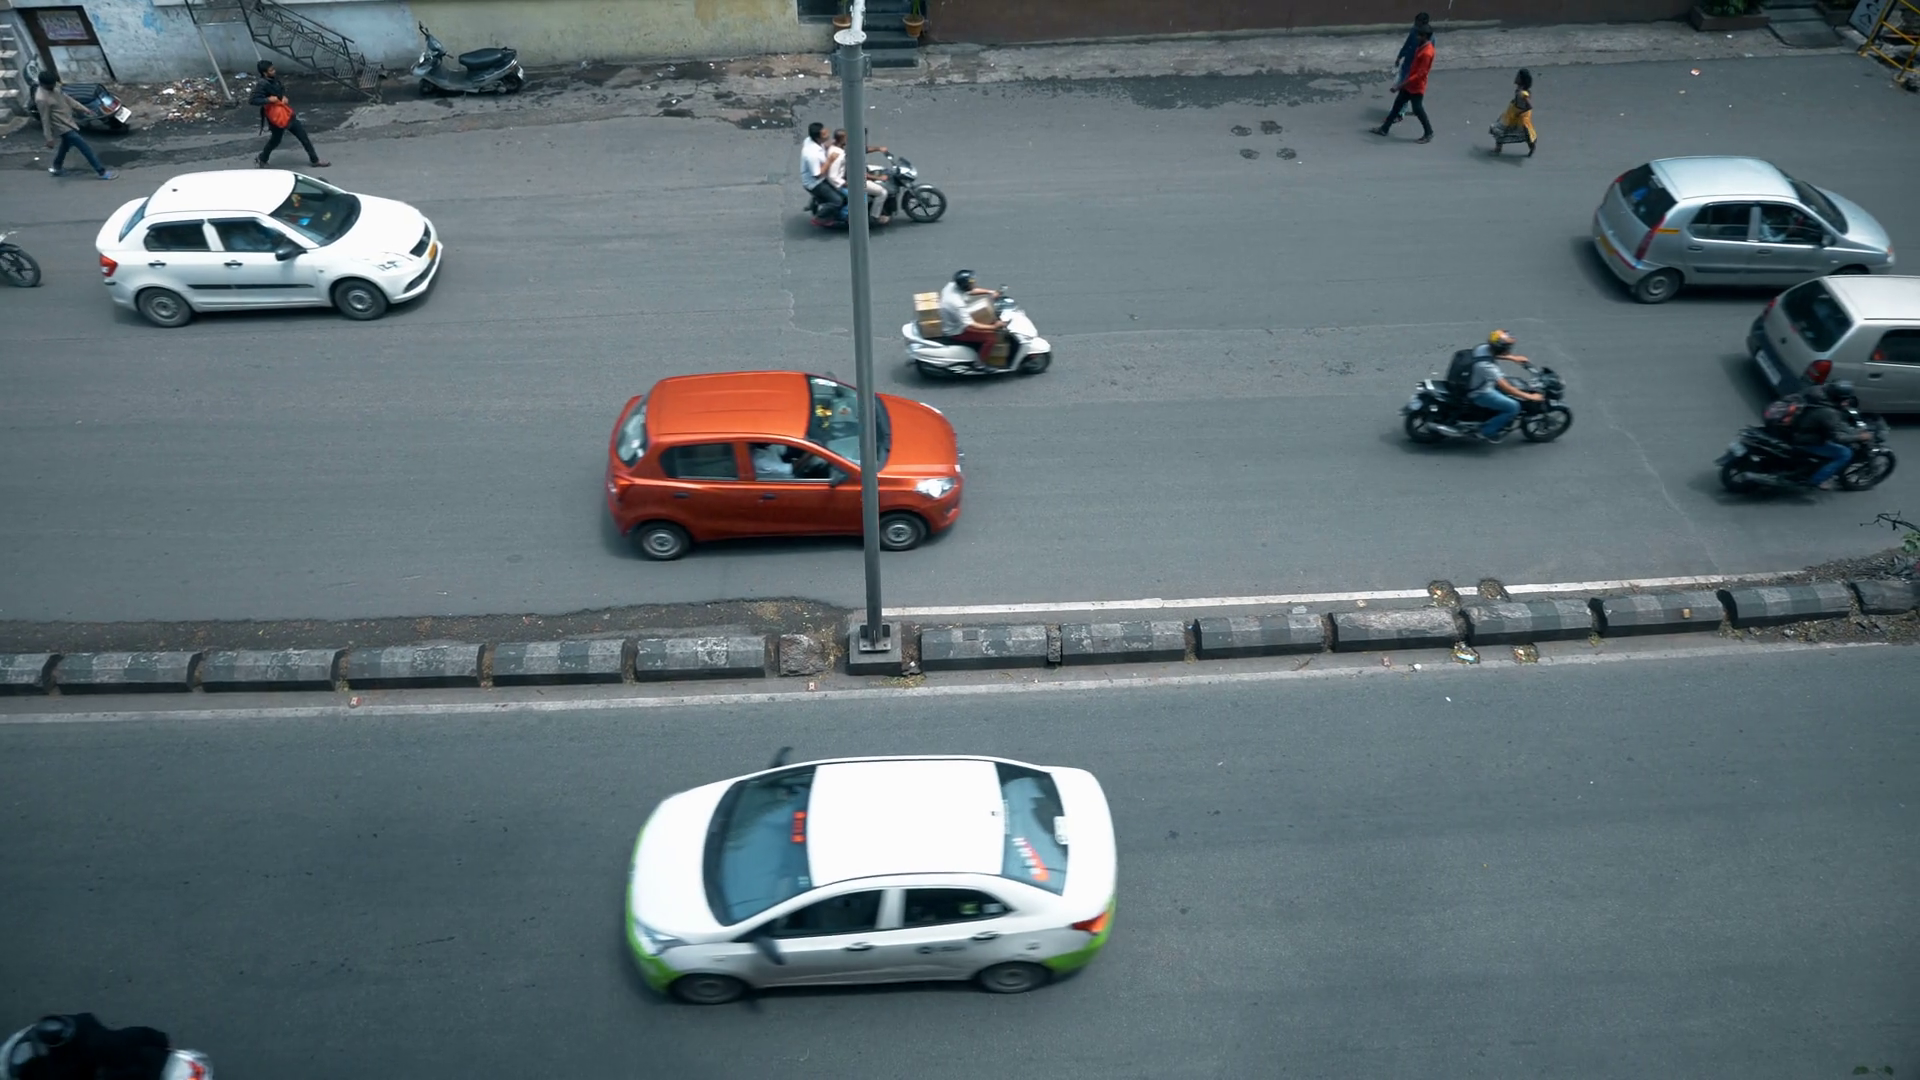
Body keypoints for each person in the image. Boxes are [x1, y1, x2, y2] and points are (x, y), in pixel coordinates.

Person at [33, 71, 115, 180]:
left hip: (70, 121)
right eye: (50, 85)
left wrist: (84, 109)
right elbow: (45, 119)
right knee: (85, 148)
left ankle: (57, 167)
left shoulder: (55, 86)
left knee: (65, 146)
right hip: (62, 126)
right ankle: (101, 172)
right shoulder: (41, 99)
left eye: (53, 83)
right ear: (43, 84)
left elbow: (68, 99)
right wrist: (49, 138)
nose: (53, 86)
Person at [251, 61, 330, 168]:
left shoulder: (274, 79)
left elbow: (281, 90)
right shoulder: (262, 84)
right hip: (276, 118)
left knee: (303, 136)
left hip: (286, 113)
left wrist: (283, 97)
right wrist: (268, 99)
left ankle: (315, 160)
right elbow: (253, 100)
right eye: (271, 70)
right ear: (265, 73)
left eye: (273, 69)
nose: (274, 71)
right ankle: (262, 158)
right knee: (275, 140)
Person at [1467, 330, 1542, 441]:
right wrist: (1531, 397)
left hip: (1476, 381)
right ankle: (1487, 431)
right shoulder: (1487, 367)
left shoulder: (1482, 348)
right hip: (1480, 392)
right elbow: (1507, 388)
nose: (1509, 349)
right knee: (1513, 407)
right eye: (1507, 347)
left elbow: (1493, 355)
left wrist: (1513, 358)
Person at [1794, 380, 1868, 488]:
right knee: (1845, 453)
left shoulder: (1815, 392)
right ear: (1838, 398)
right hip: (1806, 439)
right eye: (1845, 400)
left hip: (1799, 425)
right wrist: (1859, 437)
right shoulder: (1828, 412)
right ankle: (1816, 480)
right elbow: (1838, 437)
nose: (1847, 402)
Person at [1374, 26, 1434, 143]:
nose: (1417, 37)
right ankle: (1384, 128)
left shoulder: (1427, 53)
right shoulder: (1422, 46)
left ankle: (1429, 132)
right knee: (1398, 105)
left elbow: (1420, 74)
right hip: (1410, 84)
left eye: (1419, 35)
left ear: (1425, 37)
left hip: (1416, 86)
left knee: (1417, 109)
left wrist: (1400, 85)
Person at [938, 269, 1006, 362]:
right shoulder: (956, 303)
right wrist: (994, 327)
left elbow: (971, 290)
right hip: (956, 331)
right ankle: (980, 363)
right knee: (991, 338)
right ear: (965, 286)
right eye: (972, 283)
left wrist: (990, 292)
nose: (974, 284)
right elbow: (970, 325)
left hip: (954, 318)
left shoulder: (952, 285)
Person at [830, 128, 890, 225]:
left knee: (880, 169)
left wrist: (878, 149)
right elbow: (859, 174)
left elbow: (863, 149)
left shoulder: (844, 147)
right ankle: (874, 216)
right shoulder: (846, 154)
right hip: (854, 180)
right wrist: (879, 178)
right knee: (882, 192)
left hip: (853, 174)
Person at [800, 122, 844, 217]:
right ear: (817, 138)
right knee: (838, 201)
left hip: (821, 176)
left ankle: (817, 200)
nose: (828, 133)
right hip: (816, 183)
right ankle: (820, 217)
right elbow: (817, 175)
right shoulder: (812, 154)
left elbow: (824, 145)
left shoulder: (810, 140)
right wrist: (830, 160)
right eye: (824, 134)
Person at [1490, 69, 1537, 156]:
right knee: (1501, 128)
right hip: (1511, 113)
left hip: (1518, 115)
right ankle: (1498, 147)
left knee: (1525, 133)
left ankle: (1532, 147)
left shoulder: (1522, 93)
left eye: (1518, 77)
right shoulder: (1518, 90)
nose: (1516, 78)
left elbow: (1529, 106)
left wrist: (1519, 113)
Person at [1392, 13, 1432, 92]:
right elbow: (1407, 44)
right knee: (1402, 81)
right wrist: (1399, 57)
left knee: (1407, 89)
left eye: (1417, 22)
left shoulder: (1428, 38)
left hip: (1416, 67)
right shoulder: (1414, 30)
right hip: (1408, 61)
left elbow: (1428, 56)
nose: (1415, 23)